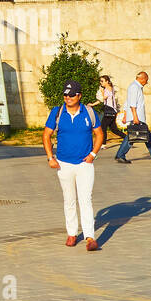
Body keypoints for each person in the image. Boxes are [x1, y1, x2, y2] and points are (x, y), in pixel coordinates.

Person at [43, 80, 104, 250]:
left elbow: (99, 134)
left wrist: (93, 154)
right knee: (69, 200)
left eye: (71, 95)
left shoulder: (89, 112)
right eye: (65, 94)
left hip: (85, 164)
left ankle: (90, 237)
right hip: (63, 164)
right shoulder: (57, 112)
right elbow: (46, 135)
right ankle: (71, 233)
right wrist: (50, 158)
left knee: (86, 200)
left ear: (79, 96)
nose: (67, 97)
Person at [115, 71, 151, 164]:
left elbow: (127, 101)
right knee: (140, 136)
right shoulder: (134, 87)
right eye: (146, 80)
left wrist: (125, 114)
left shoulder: (135, 87)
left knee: (135, 136)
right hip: (137, 117)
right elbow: (132, 104)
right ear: (142, 78)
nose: (147, 82)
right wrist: (135, 117)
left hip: (136, 116)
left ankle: (120, 155)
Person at [96, 75, 126, 148]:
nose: (101, 83)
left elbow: (103, 98)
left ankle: (103, 144)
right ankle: (127, 138)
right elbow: (102, 101)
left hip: (109, 111)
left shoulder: (108, 88)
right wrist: (92, 104)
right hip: (111, 111)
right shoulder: (109, 88)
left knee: (103, 127)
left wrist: (102, 92)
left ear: (107, 81)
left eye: (102, 81)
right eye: (100, 81)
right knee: (114, 129)